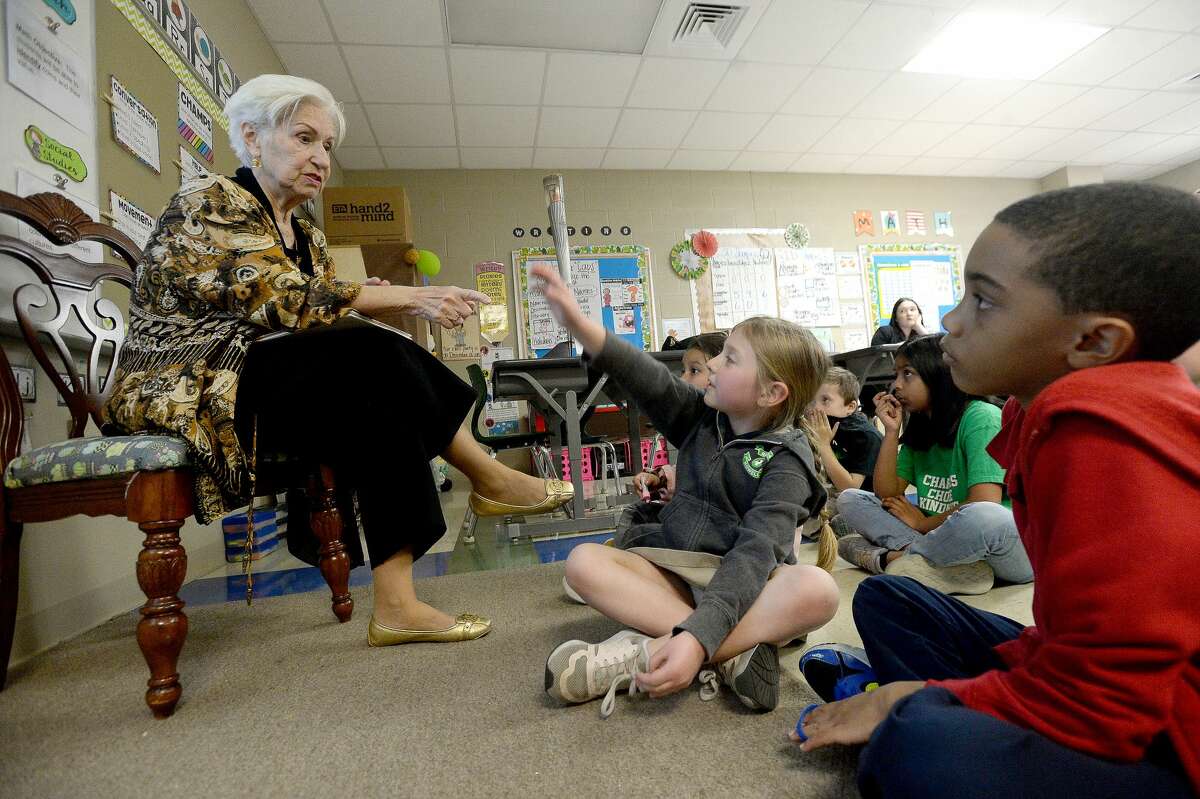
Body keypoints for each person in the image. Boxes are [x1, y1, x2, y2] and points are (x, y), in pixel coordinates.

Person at [102, 75, 571, 647]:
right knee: (373, 357)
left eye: (326, 145)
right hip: (187, 383)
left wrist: (361, 298)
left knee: (377, 388)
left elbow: (316, 313)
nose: (321, 158)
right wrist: (408, 297)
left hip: (259, 380)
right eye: (304, 138)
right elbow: (279, 299)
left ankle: (398, 603)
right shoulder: (207, 203)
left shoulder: (309, 236)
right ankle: (487, 478)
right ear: (251, 137)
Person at [793, 182, 1200, 799]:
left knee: (912, 747)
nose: (950, 321)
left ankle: (903, 711)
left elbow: (1111, 700)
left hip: (1164, 737)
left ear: (1094, 342)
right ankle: (917, 709)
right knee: (888, 599)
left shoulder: (1103, 435)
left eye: (983, 300)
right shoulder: (1034, 413)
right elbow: (1065, 636)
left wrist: (921, 698)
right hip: (1076, 671)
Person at [532, 263, 839, 717]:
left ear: (770, 394)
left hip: (747, 587)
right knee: (583, 562)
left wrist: (694, 640)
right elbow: (647, 378)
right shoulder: (703, 416)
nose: (712, 365)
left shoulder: (788, 462)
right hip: (678, 571)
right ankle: (731, 652)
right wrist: (583, 328)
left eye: (729, 359)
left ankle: (651, 650)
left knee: (819, 590)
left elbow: (754, 557)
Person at [835, 334, 1030, 595]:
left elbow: (985, 501)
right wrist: (891, 432)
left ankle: (889, 558)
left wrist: (922, 525)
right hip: (945, 538)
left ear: (939, 374)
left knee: (983, 515)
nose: (896, 385)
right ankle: (952, 569)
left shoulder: (981, 417)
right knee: (851, 499)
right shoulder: (921, 424)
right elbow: (887, 493)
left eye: (907, 374)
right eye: (896, 375)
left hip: (1005, 546)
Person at [630, 332, 727, 503]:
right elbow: (688, 469)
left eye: (694, 371)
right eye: (683, 370)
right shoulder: (704, 425)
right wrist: (659, 478)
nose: (683, 378)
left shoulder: (731, 430)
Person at [804, 366, 883, 495]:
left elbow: (850, 488)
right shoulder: (826, 425)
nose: (815, 407)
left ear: (850, 407)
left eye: (825, 400)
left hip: (870, 501)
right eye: (812, 400)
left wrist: (823, 445)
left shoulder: (864, 436)